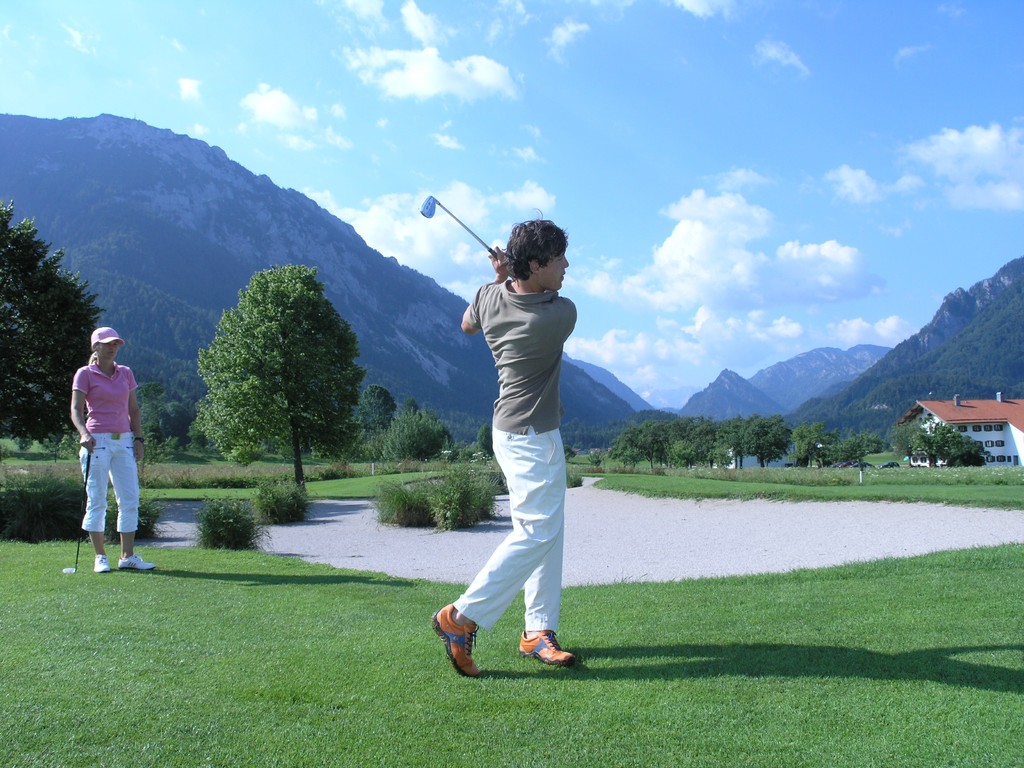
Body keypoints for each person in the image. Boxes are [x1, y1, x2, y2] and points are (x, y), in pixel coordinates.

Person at [432, 219, 577, 676]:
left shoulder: (486, 296)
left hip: (509, 432)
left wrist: (500, 280)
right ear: (535, 266)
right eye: (557, 260)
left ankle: (538, 630)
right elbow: (533, 298)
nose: (566, 266)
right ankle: (460, 616)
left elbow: (467, 325)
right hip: (534, 438)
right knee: (537, 533)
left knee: (545, 532)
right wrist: (506, 276)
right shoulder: (558, 314)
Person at [70, 327, 155, 573]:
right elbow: (76, 410)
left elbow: (134, 410)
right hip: (96, 441)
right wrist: (84, 433)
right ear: (95, 347)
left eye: (116, 343)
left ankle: (127, 556)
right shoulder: (84, 374)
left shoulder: (125, 373)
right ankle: (100, 557)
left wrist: (138, 439)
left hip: (124, 441)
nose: (112, 347)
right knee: (96, 500)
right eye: (107, 343)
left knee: (129, 498)